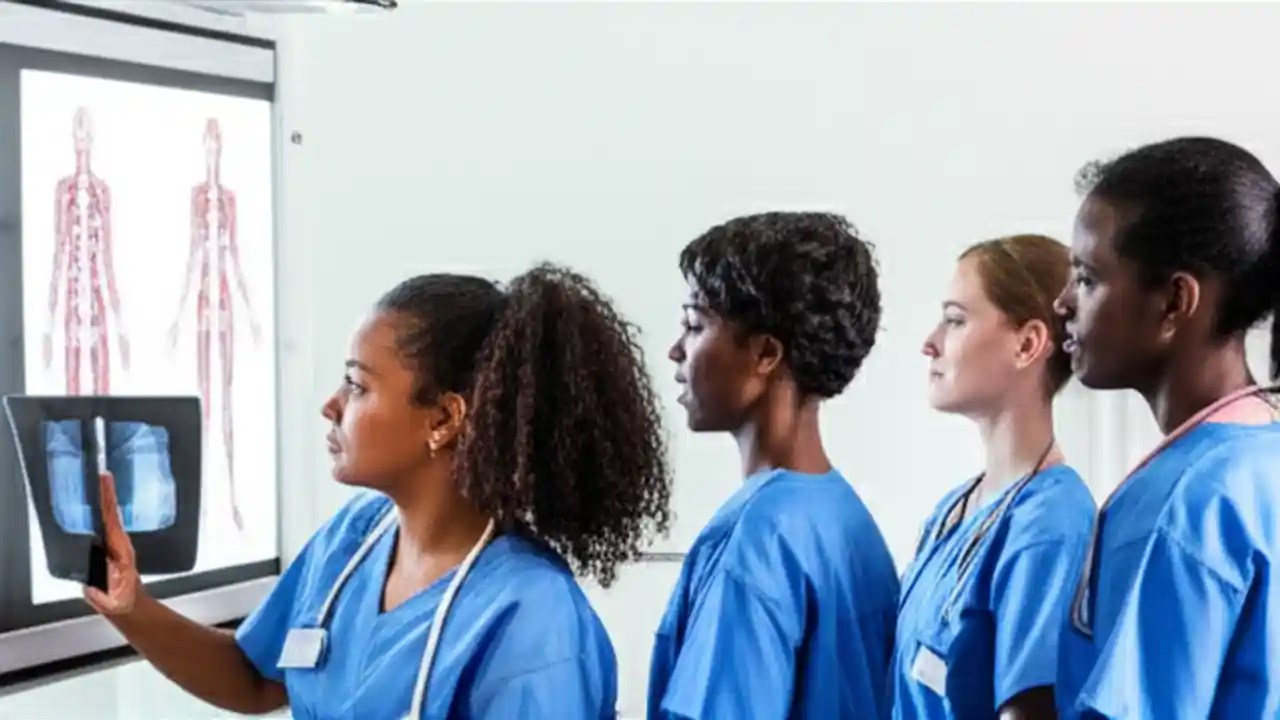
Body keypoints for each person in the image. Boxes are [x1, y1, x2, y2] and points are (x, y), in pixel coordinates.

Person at [83, 264, 673, 718]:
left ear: (443, 418)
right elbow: (253, 677)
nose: (332, 406)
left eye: (357, 385)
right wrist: (132, 605)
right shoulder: (356, 539)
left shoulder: (530, 618)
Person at [1054, 137, 1280, 718]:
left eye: (1087, 278)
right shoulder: (1260, 465)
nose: (1061, 302)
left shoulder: (1191, 500)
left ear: (1175, 301)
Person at [649, 211, 900, 719]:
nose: (676, 350)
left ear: (765, 353)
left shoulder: (759, 536)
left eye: (695, 325)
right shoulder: (847, 520)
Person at [893, 235, 1096, 720]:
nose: (930, 343)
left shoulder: (1051, 523)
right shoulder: (952, 512)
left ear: (1027, 344)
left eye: (955, 320)